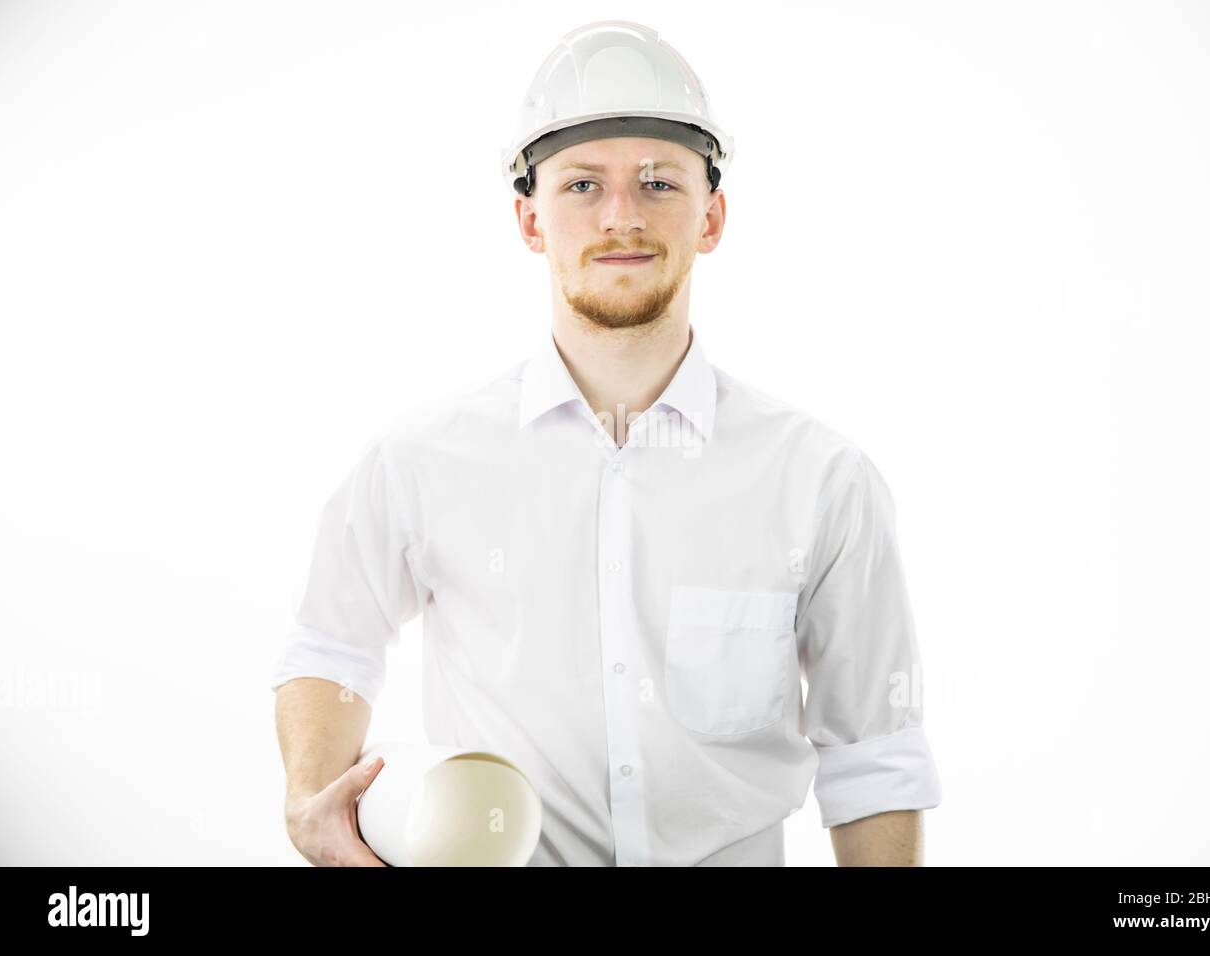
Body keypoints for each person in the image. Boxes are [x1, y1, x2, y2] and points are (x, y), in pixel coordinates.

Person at [271, 19, 941, 867]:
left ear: (712, 215)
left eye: (659, 182)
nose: (621, 215)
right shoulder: (419, 463)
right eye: (583, 185)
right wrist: (307, 803)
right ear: (530, 220)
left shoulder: (821, 482)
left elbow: (873, 761)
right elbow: (334, 641)